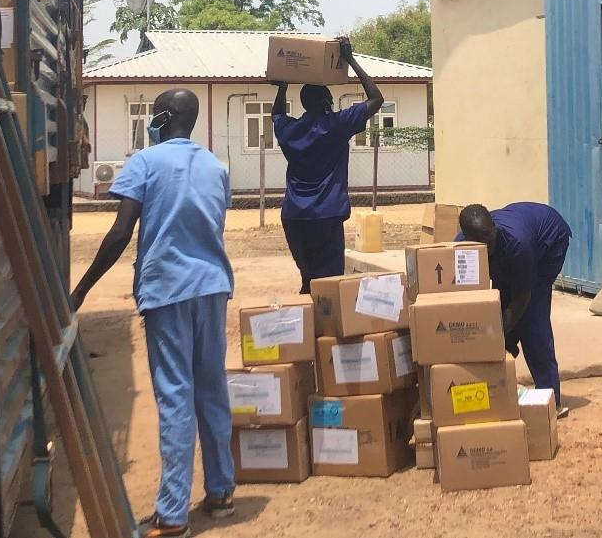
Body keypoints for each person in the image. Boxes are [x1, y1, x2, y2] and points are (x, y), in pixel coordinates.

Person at [70, 89, 235, 538]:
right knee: (211, 388)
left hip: (168, 290)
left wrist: (81, 289)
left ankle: (173, 514)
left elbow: (122, 230)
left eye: (153, 113)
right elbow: (211, 224)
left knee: (175, 397)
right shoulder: (216, 167)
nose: (150, 120)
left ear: (165, 116)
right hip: (213, 287)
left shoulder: (143, 162)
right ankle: (221, 492)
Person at [272, 37, 383, 293]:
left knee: (308, 281)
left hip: (294, 217)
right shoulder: (337, 124)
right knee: (329, 286)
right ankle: (325, 330)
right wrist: (351, 59)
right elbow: (376, 99)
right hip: (326, 215)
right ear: (327, 102)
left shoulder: (290, 130)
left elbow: (276, 115)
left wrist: (282, 86)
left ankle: (307, 328)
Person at [457, 202, 572, 416]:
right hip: (520, 239)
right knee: (500, 307)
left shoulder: (518, 244)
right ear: (468, 238)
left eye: (490, 235)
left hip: (549, 241)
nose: (488, 242)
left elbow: (522, 297)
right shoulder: (461, 246)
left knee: (532, 319)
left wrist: (500, 336)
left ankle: (550, 400)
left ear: (494, 228)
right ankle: (496, 388)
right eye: (481, 240)